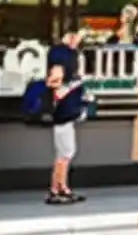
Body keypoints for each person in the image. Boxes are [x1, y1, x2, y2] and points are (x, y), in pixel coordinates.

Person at [45, 30, 87, 205]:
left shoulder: (59, 53)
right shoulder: (63, 55)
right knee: (66, 152)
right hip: (64, 112)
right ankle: (57, 189)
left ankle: (61, 187)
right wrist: (69, 87)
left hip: (65, 112)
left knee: (63, 153)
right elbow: (53, 81)